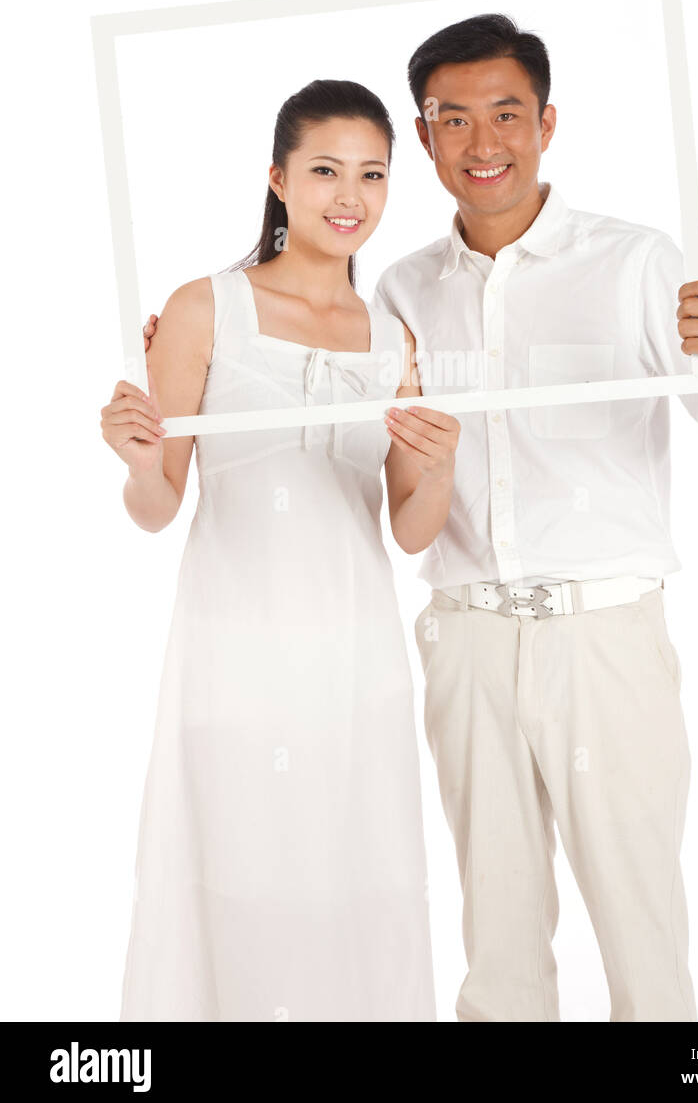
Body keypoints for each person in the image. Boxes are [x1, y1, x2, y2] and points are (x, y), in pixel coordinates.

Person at [367, 13, 698, 1023]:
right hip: (465, 637)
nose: (483, 144)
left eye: (506, 114)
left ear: (546, 123)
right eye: (454, 120)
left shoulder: (636, 262)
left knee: (639, 926)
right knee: (497, 938)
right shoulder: (400, 290)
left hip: (604, 639)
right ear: (424, 137)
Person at [102, 79, 459, 1022]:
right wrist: (141, 462)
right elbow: (158, 505)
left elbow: (408, 527)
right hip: (236, 652)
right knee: (244, 873)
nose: (352, 196)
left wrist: (442, 467)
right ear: (279, 179)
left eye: (374, 174)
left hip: (355, 658)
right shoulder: (202, 308)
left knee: (353, 880)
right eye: (326, 171)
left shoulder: (393, 336)